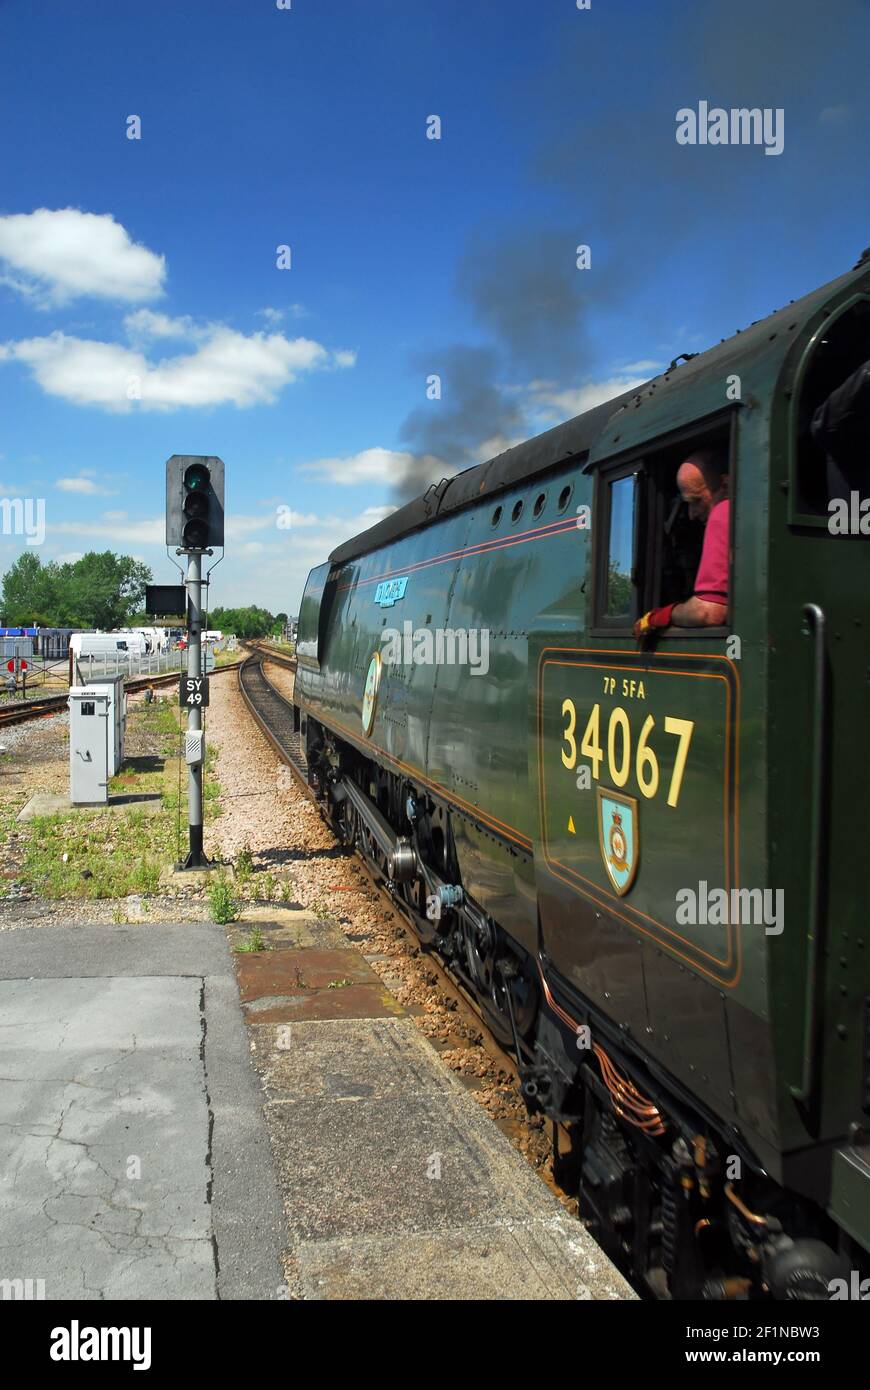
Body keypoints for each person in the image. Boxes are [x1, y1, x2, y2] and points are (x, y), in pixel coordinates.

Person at [634, 449, 729, 637]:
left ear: (725, 484)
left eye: (697, 501)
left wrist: (660, 616)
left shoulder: (723, 512)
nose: (692, 514)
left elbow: (708, 611)